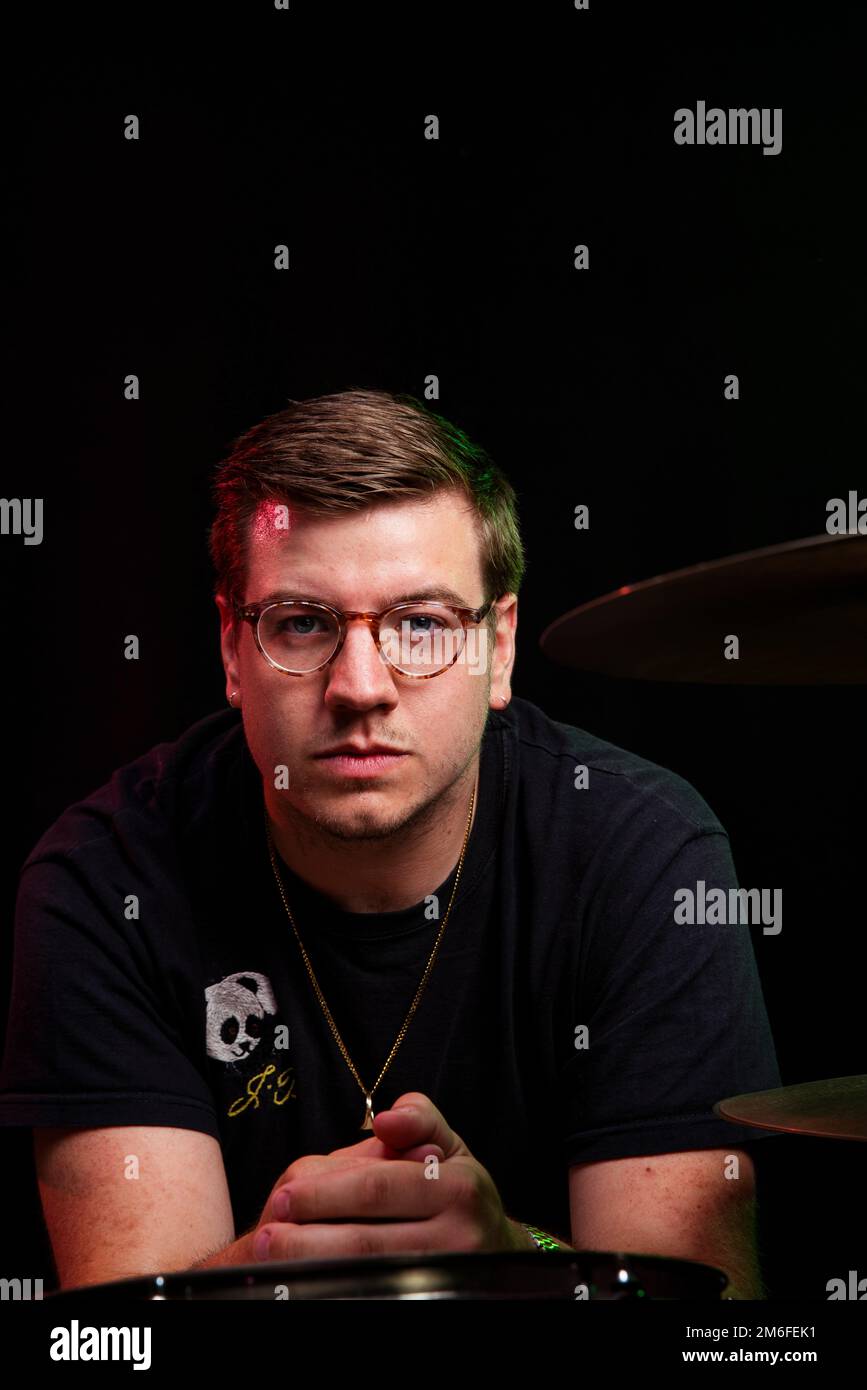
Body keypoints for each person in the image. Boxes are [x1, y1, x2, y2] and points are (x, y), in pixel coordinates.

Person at [0, 389, 781, 1295]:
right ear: (229, 648)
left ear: (501, 646)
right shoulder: (104, 878)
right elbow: (114, 1345)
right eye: (301, 623)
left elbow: (717, 1340)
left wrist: (504, 1261)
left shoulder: (642, 854)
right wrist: (270, 1269)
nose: (360, 687)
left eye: (421, 623)